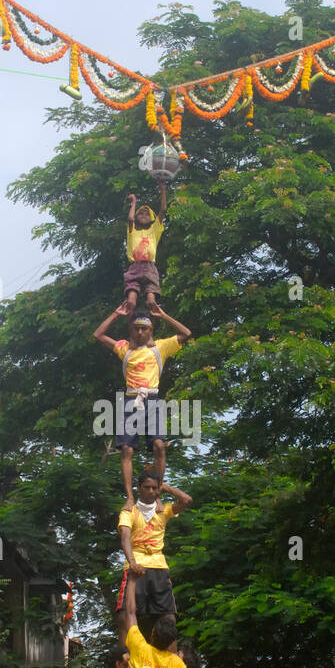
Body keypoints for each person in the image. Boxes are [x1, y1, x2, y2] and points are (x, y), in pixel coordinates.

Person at [92, 303, 192, 496]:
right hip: (130, 400)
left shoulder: (161, 347)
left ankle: (157, 493)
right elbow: (98, 335)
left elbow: (186, 333)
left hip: (152, 399)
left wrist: (163, 315)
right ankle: (130, 497)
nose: (139, 332)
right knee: (127, 450)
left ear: (150, 330)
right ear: (131, 329)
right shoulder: (125, 349)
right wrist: (115, 313)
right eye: (136, 328)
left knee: (159, 446)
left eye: (144, 328)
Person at [116, 470, 191, 640]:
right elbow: (125, 538)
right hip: (135, 567)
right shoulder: (128, 511)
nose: (151, 491)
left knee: (168, 618)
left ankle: (169, 662)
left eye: (154, 488)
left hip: (159, 567)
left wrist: (166, 487)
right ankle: (124, 660)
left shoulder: (164, 511)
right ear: (139, 488)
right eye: (147, 487)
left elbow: (186, 500)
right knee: (124, 616)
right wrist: (132, 561)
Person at [123, 184, 167, 314]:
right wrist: (134, 202)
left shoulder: (154, 230)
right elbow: (130, 218)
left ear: (152, 218)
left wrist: (163, 189)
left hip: (149, 268)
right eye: (140, 213)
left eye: (147, 214)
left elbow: (163, 210)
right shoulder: (132, 230)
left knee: (151, 302)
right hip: (134, 267)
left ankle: (152, 324)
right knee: (131, 301)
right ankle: (130, 321)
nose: (143, 215)